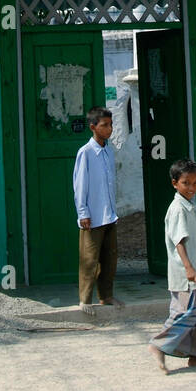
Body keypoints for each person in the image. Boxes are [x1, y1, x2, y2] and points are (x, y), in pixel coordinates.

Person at [148, 160, 196, 372]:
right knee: (187, 314)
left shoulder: (190, 206)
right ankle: (159, 344)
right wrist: (188, 267)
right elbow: (179, 241)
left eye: (195, 183)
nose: (192, 188)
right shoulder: (178, 208)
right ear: (175, 183)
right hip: (185, 273)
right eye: (186, 183)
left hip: (195, 271)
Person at [73, 106, 122, 316]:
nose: (109, 129)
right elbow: (80, 184)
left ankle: (106, 295)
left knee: (109, 258)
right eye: (104, 125)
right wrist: (83, 212)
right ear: (93, 127)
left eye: (110, 125)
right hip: (92, 216)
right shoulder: (85, 153)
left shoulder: (109, 151)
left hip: (109, 214)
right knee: (89, 259)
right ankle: (85, 299)